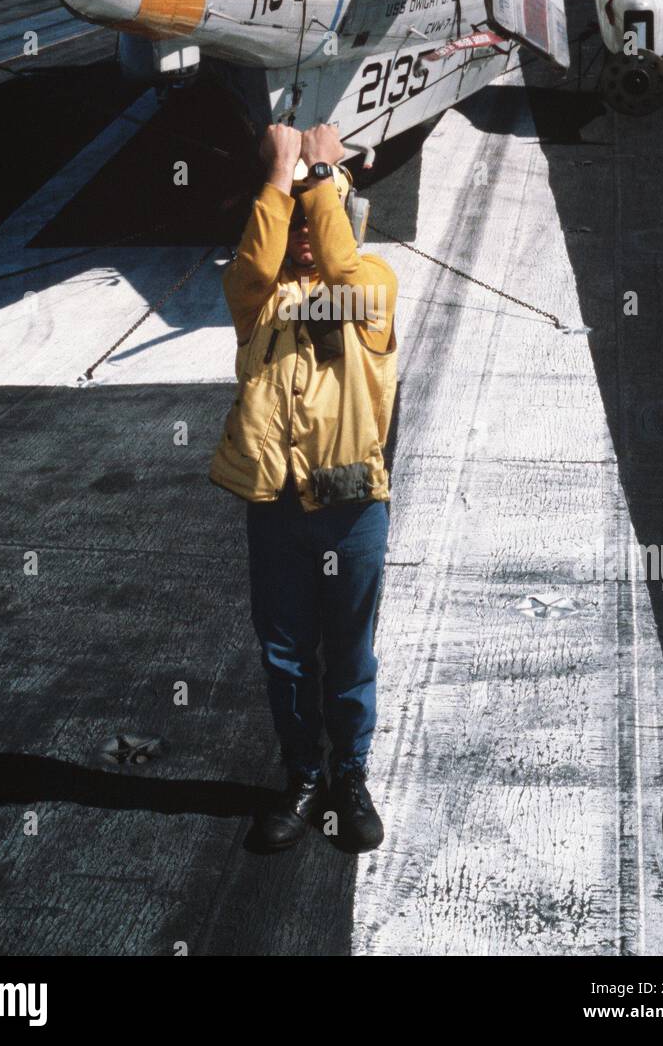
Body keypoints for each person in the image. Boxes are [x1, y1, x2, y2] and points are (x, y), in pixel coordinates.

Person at [210, 122, 398, 854]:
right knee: (285, 655)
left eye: (319, 218)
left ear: (341, 212)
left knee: (349, 655)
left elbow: (344, 273)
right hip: (277, 507)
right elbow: (255, 261)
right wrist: (281, 174)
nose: (305, 238)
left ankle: (349, 774)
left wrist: (320, 174)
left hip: (350, 505)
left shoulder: (371, 286)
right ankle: (304, 775)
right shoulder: (255, 297)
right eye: (293, 224)